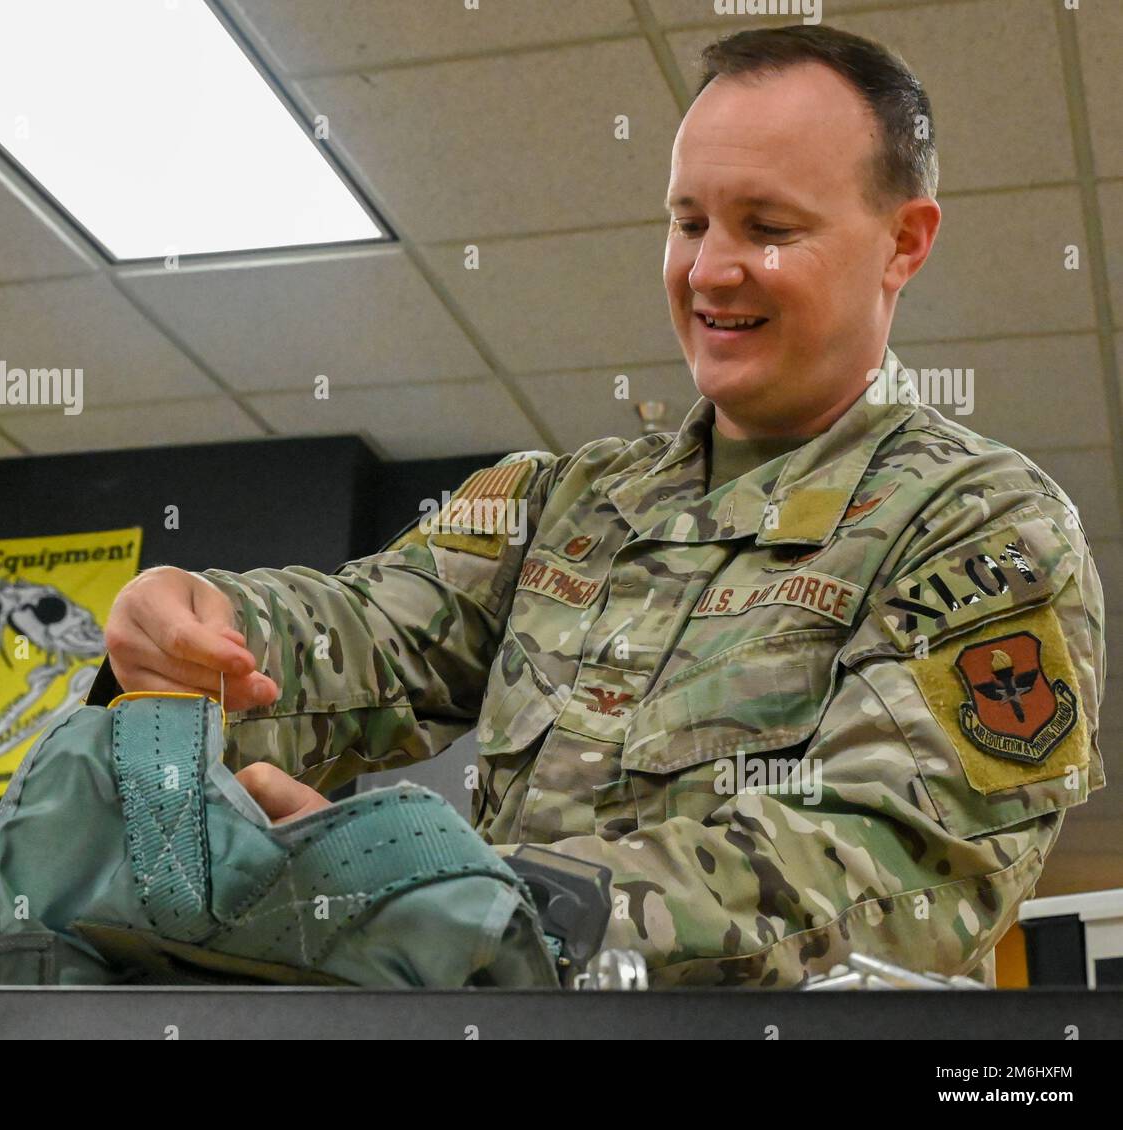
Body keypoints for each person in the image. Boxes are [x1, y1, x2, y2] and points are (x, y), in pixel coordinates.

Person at [100, 25, 1106, 987]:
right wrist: (202, 630)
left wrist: (457, 902)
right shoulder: (560, 500)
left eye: (768, 227)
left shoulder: (982, 527)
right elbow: (363, 633)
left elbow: (895, 878)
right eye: (687, 221)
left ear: (903, 242)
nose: (708, 269)